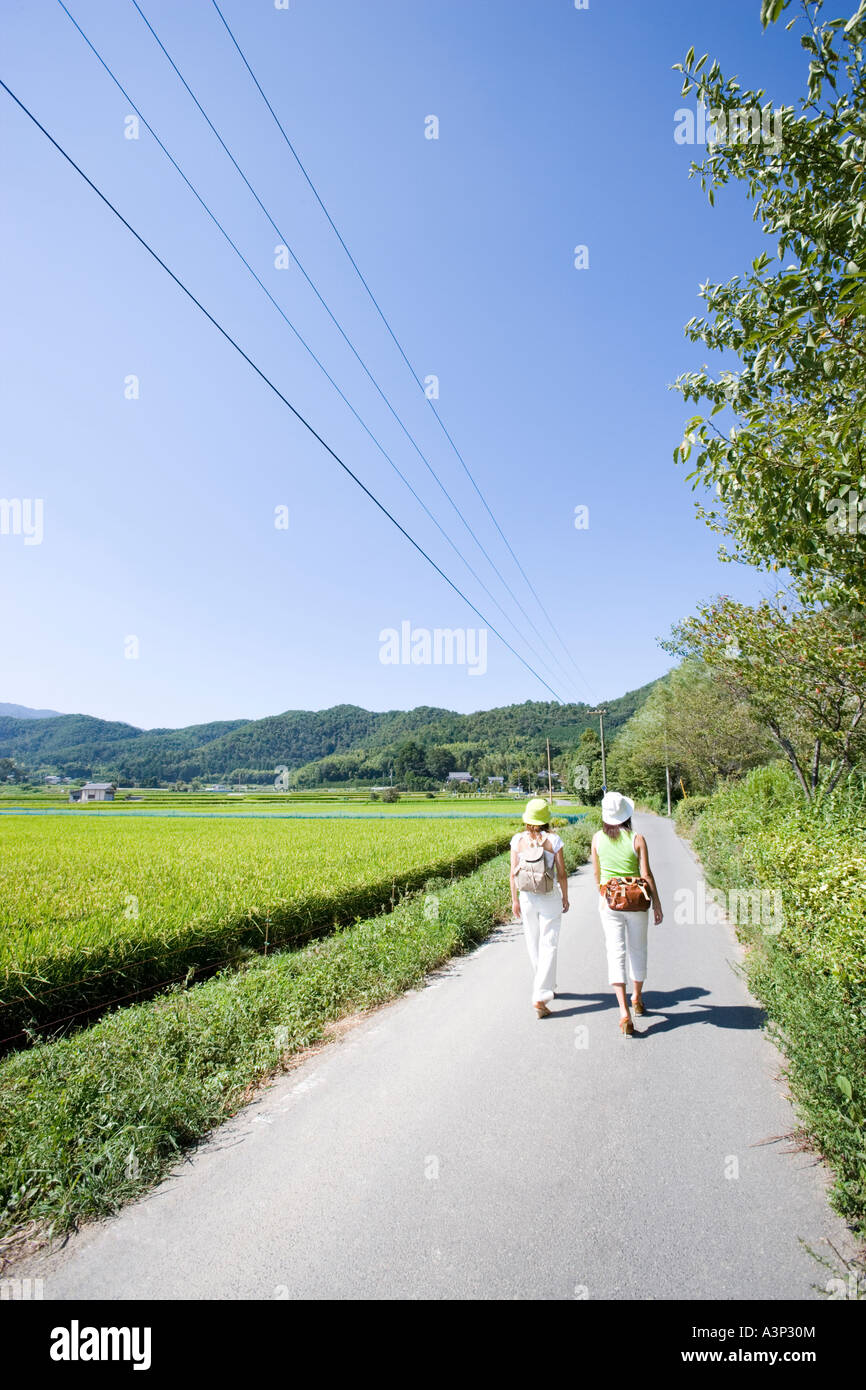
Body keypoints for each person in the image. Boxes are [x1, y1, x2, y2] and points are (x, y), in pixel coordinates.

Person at [591, 791, 663, 1036]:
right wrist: (657, 904)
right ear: (627, 815)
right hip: (636, 901)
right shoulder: (637, 839)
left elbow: (597, 875)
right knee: (638, 950)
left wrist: (604, 894)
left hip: (609, 903)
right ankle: (637, 997)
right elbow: (647, 875)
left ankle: (623, 1011)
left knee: (615, 952)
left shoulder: (597, 839)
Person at [510, 797, 570, 1019]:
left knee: (533, 942)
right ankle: (541, 995)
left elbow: (513, 872)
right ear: (546, 819)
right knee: (549, 943)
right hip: (549, 896)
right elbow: (562, 873)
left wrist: (514, 899)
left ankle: (543, 984)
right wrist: (566, 896)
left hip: (526, 897)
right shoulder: (554, 840)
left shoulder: (517, 840)